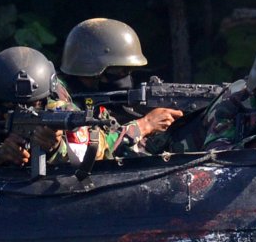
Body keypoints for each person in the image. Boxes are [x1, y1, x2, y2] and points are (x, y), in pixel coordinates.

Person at [59, 17, 183, 155]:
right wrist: (145, 125)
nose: (126, 77)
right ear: (93, 69)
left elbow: (117, 145)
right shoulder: (60, 100)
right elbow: (84, 149)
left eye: (129, 70)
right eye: (120, 70)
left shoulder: (95, 103)